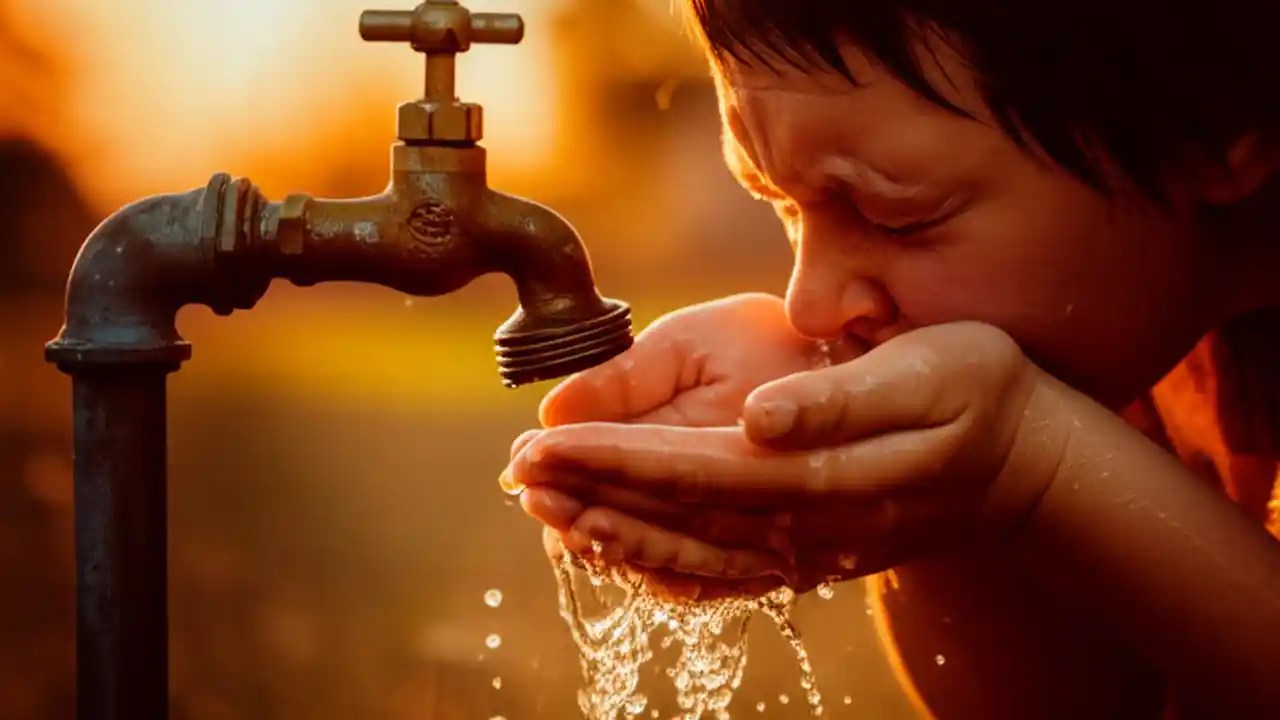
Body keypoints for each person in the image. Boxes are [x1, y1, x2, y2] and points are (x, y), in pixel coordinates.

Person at [499, 2, 1280, 717]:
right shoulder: (1134, 327)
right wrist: (940, 483)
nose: (809, 305)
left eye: (896, 213)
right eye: (783, 204)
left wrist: (1031, 463)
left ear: (1210, 122)